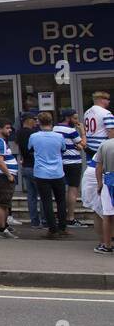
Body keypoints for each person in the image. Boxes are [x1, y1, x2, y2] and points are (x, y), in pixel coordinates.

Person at [31, 112, 68, 237]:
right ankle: (62, 227)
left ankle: (52, 229)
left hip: (41, 173)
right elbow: (63, 149)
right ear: (51, 122)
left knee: (46, 201)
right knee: (61, 200)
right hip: (58, 172)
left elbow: (30, 149)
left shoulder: (34, 136)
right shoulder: (59, 137)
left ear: (39, 123)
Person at [55, 109, 87, 230]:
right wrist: (82, 132)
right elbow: (83, 144)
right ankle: (70, 217)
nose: (77, 121)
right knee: (73, 190)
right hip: (73, 162)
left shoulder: (55, 129)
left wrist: (76, 145)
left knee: (61, 190)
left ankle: (61, 216)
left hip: (60, 162)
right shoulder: (71, 130)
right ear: (67, 118)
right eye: (74, 118)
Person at [0, 119, 20, 238]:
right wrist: (9, 175)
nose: (10, 130)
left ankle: (5, 226)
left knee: (5, 202)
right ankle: (2, 230)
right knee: (2, 203)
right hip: (2, 177)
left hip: (1, 176)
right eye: (7, 128)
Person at [92, 115, 114, 253]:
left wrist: (99, 183)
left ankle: (107, 245)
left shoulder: (105, 145)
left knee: (108, 215)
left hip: (109, 180)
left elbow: (98, 166)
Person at [15, 113, 40, 228]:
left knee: (31, 195)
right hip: (34, 166)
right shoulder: (32, 134)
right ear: (28, 120)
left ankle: (34, 221)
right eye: (34, 119)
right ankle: (44, 221)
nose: (36, 122)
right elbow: (33, 150)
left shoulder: (19, 133)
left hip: (25, 166)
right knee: (43, 195)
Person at [83, 90, 111, 159]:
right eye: (107, 99)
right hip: (102, 149)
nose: (109, 101)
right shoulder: (106, 113)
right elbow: (111, 132)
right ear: (102, 100)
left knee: (91, 169)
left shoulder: (86, 113)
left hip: (89, 149)